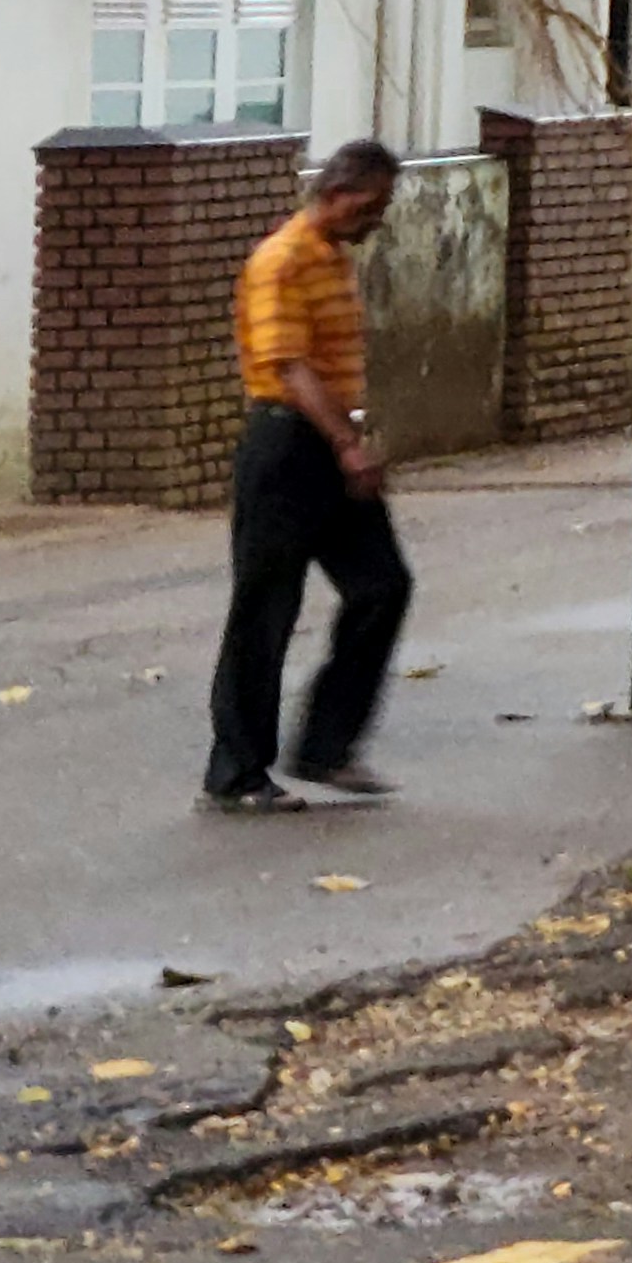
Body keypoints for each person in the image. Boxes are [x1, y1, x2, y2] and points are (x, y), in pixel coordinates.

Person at [202, 139, 414, 815]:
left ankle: (326, 746)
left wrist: (351, 438)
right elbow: (290, 369)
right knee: (266, 606)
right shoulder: (282, 261)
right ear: (338, 190)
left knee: (381, 584)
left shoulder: (332, 258)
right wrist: (347, 445)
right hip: (287, 445)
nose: (378, 217)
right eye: (372, 203)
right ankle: (236, 773)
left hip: (326, 440)